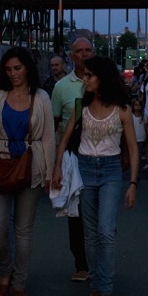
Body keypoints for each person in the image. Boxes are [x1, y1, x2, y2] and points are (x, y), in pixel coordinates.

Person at [53, 56, 139, 296]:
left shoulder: (122, 108)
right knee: (90, 234)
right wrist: (57, 167)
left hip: (111, 169)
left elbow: (133, 147)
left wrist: (133, 183)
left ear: (103, 78)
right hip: (85, 168)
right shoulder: (82, 105)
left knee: (105, 230)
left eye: (90, 75)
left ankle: (105, 289)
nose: (85, 79)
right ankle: (97, 285)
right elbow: (66, 136)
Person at [0, 47, 55, 296]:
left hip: (31, 165)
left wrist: (50, 173)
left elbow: (48, 137)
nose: (13, 74)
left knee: (23, 229)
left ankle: (18, 282)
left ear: (27, 68)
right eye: (8, 69)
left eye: (17, 68)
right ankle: (6, 271)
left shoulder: (41, 97)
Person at [51, 38, 92, 281]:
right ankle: (81, 264)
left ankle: (100, 261)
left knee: (99, 213)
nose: (84, 54)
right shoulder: (62, 87)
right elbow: (55, 126)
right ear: (72, 55)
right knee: (75, 213)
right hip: (73, 157)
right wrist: (56, 164)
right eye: (79, 51)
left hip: (100, 156)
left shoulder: (105, 83)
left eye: (88, 50)